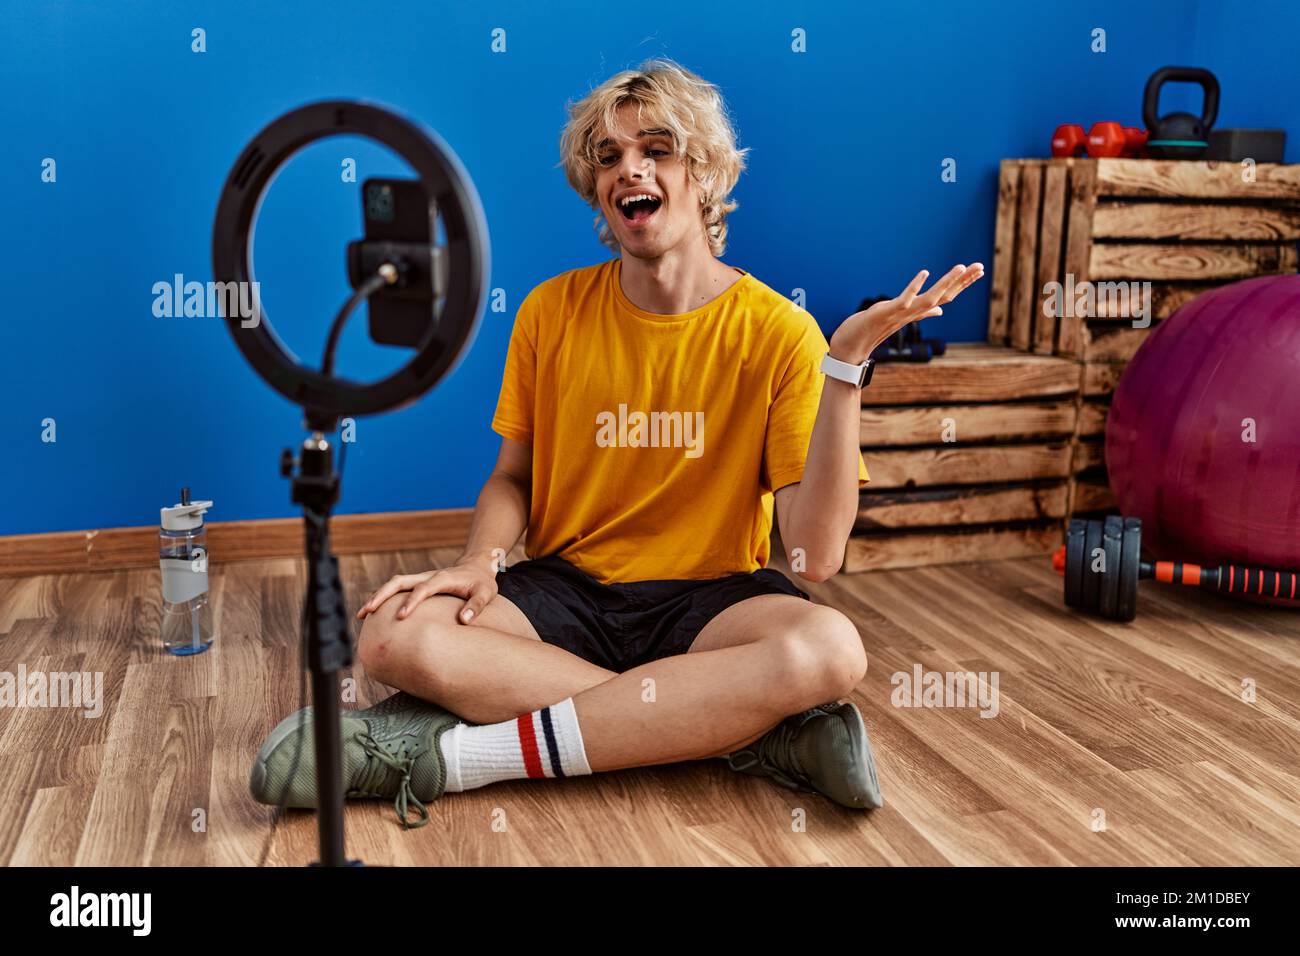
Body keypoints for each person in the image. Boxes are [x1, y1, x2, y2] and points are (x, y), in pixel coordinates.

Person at [250, 59, 983, 828]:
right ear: (597, 189)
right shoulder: (550, 311)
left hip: (712, 604)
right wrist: (479, 562)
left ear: (703, 173)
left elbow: (815, 559)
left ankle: (459, 759)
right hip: (566, 590)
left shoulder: (780, 333)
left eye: (657, 149)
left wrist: (842, 370)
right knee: (393, 638)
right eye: (608, 157)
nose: (629, 168)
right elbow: (512, 481)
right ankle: (744, 734)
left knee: (832, 650)